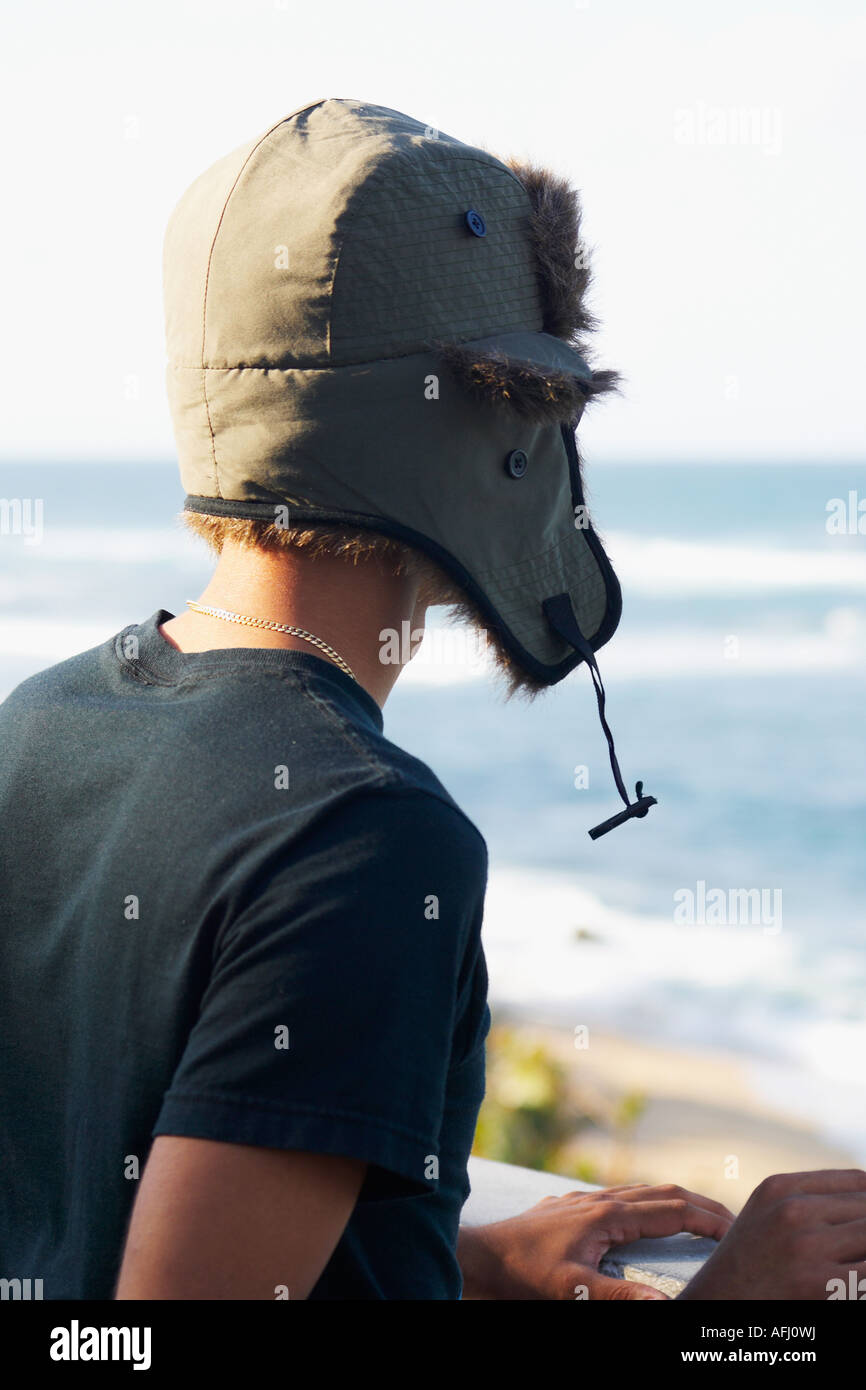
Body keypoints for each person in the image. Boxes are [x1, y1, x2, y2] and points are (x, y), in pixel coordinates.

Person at [2, 99, 864, 1302]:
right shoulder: (361, 837)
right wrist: (720, 1314)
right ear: (491, 424)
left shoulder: (38, 722)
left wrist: (453, 1264)